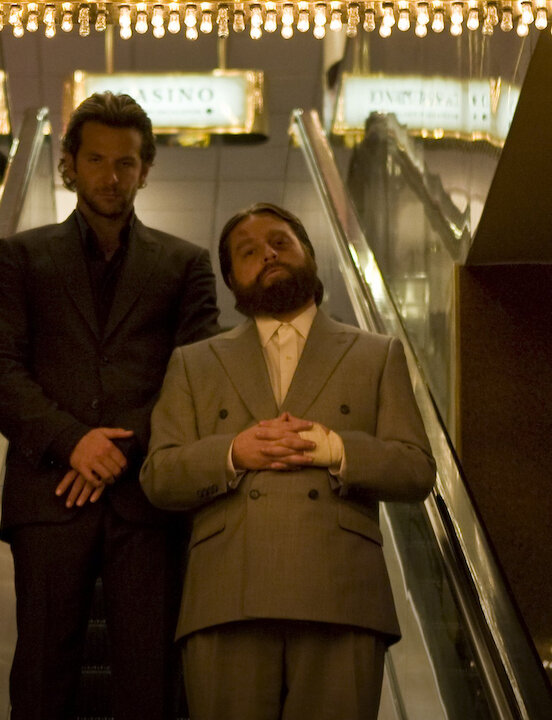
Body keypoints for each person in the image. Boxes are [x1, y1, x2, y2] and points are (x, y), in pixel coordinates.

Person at [139, 203, 436, 720]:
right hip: (227, 594)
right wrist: (233, 453)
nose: (268, 255)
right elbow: (159, 476)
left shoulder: (376, 353)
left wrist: (336, 449)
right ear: (232, 280)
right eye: (248, 252)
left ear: (308, 254)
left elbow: (416, 470)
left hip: (342, 593)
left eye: (280, 242)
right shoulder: (194, 362)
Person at [0, 91, 221, 720]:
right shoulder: (22, 256)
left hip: (147, 497)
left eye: (125, 163)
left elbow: (195, 375)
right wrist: (73, 442)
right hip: (49, 492)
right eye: (96, 160)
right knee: (42, 676)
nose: (111, 176)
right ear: (70, 164)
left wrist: (119, 445)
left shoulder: (185, 264)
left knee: (151, 678)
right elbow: (0, 367)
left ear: (145, 170)